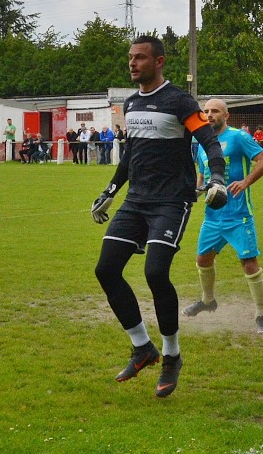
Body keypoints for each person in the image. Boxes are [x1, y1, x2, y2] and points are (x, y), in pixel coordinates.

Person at [91, 35, 226, 398]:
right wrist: (110, 190)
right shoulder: (131, 103)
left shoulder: (180, 101)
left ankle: (171, 356)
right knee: (106, 269)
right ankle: (142, 347)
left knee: (155, 272)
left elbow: (209, 141)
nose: (133, 63)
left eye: (140, 58)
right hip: (136, 200)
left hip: (171, 200)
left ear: (160, 61)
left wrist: (216, 176)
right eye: (131, 57)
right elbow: (130, 154)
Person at [185, 99, 263, 332]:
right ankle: (208, 301)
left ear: (227, 115)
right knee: (203, 259)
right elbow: (202, 174)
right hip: (213, 216)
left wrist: (246, 181)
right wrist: (196, 190)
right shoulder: (202, 141)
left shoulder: (238, 137)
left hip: (239, 215)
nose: (209, 114)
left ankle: (261, 315)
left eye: (215, 111)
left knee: (248, 263)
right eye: (206, 111)